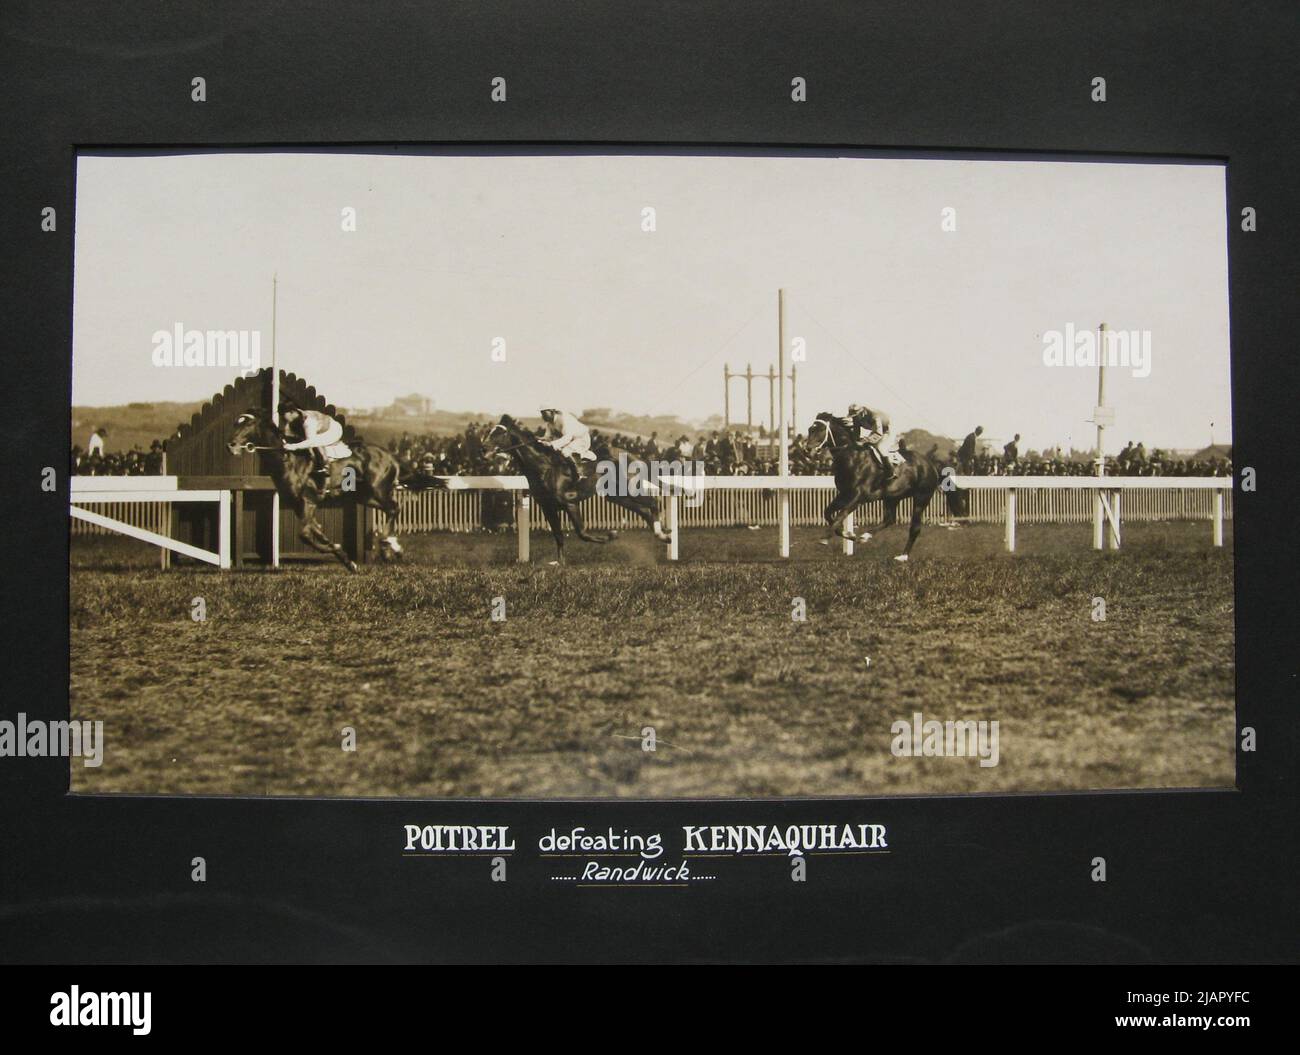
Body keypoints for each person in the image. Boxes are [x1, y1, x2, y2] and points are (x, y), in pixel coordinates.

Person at [279, 400, 352, 483]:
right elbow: (287, 437)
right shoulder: (290, 422)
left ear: (292, 412)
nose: (281, 418)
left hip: (333, 430)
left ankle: (325, 467)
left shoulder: (309, 420)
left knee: (315, 443)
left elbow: (311, 442)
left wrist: (292, 446)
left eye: (283, 415)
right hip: (317, 432)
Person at [842, 403, 898, 482]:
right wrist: (856, 441)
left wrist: (865, 440)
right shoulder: (856, 416)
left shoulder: (874, 415)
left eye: (856, 415)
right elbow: (856, 431)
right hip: (876, 430)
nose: (855, 417)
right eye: (854, 416)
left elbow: (878, 433)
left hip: (888, 429)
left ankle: (890, 471)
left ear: (862, 411)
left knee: (880, 447)